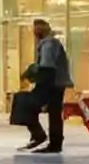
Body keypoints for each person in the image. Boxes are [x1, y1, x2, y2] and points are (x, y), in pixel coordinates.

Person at [22, 18, 72, 154]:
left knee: (25, 105)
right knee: (54, 113)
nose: (34, 32)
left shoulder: (49, 44)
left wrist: (36, 78)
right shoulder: (48, 43)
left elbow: (47, 67)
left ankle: (43, 137)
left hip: (52, 83)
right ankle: (51, 141)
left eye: (36, 29)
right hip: (55, 82)